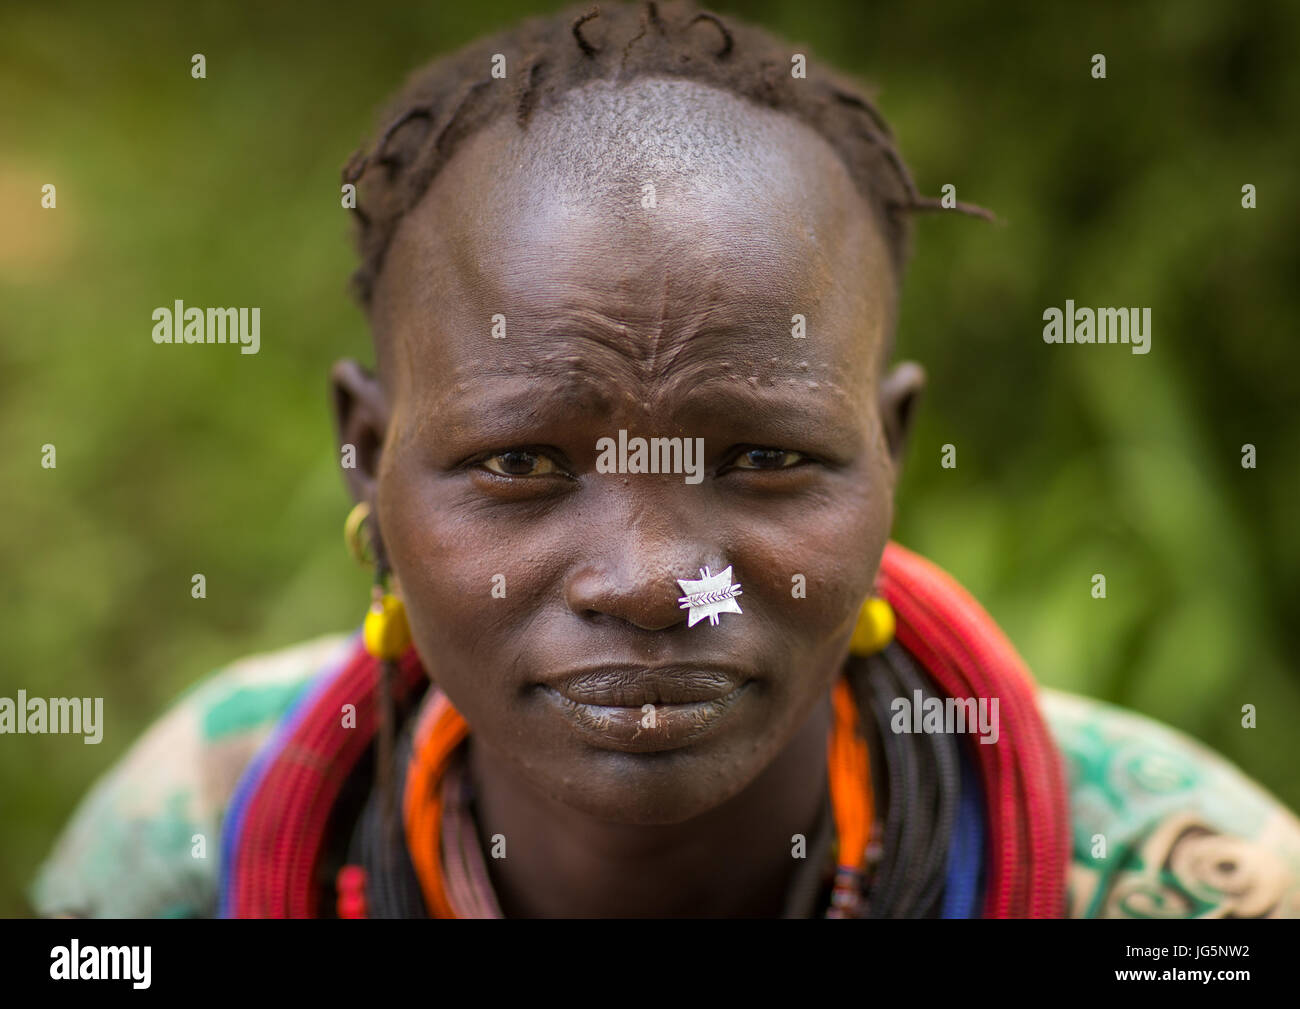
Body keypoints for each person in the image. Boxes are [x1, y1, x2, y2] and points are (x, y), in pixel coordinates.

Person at [30, 0, 1300, 919]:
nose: (648, 581)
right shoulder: (189, 839)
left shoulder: (1185, 887)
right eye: (522, 462)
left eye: (761, 456)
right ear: (369, 454)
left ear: (888, 452)